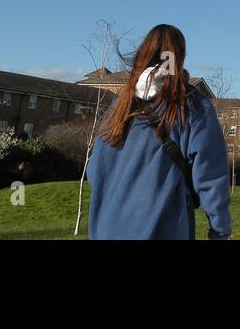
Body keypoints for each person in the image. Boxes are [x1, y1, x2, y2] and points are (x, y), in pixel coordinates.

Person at [87, 24, 231, 240]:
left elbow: (95, 169)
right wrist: (220, 231)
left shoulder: (120, 105)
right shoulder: (193, 107)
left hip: (106, 229)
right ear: (179, 57)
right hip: (160, 229)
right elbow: (211, 177)